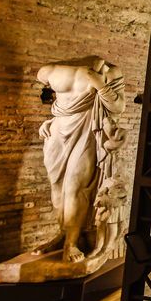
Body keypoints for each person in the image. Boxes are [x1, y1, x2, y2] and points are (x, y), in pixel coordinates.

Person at [34, 56, 127, 261]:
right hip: (57, 132)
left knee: (76, 186)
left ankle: (72, 243)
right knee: (57, 189)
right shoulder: (50, 69)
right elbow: (61, 103)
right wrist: (51, 120)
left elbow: (118, 108)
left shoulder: (109, 71)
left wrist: (100, 85)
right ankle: (64, 234)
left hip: (87, 130)